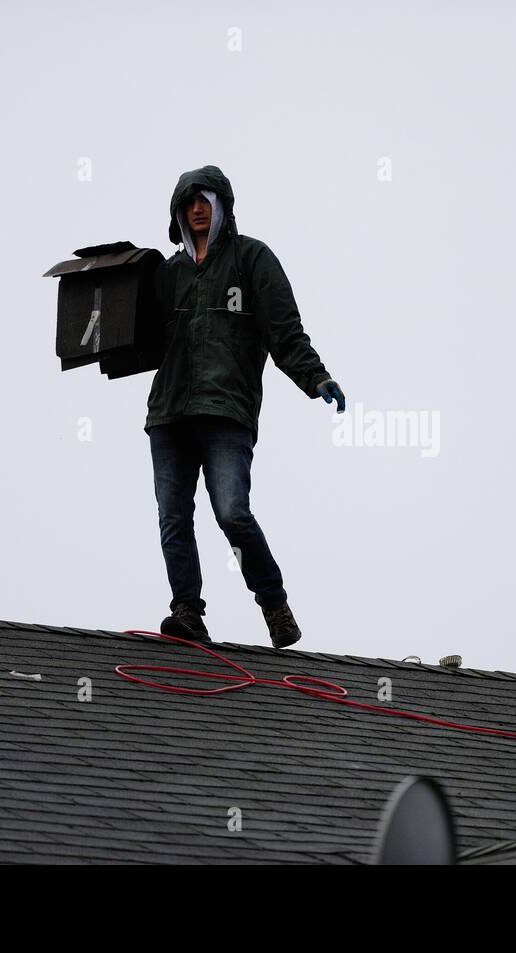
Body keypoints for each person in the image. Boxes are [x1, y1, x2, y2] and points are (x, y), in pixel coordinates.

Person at [146, 165, 345, 649]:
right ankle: (187, 611)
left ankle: (272, 602)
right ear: (178, 209)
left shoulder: (251, 258)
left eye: (206, 199)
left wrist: (315, 376)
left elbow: (286, 332)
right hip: (169, 414)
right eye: (189, 199)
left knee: (232, 512)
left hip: (226, 413)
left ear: (222, 206)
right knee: (173, 517)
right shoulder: (165, 274)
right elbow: (128, 338)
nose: (197, 207)